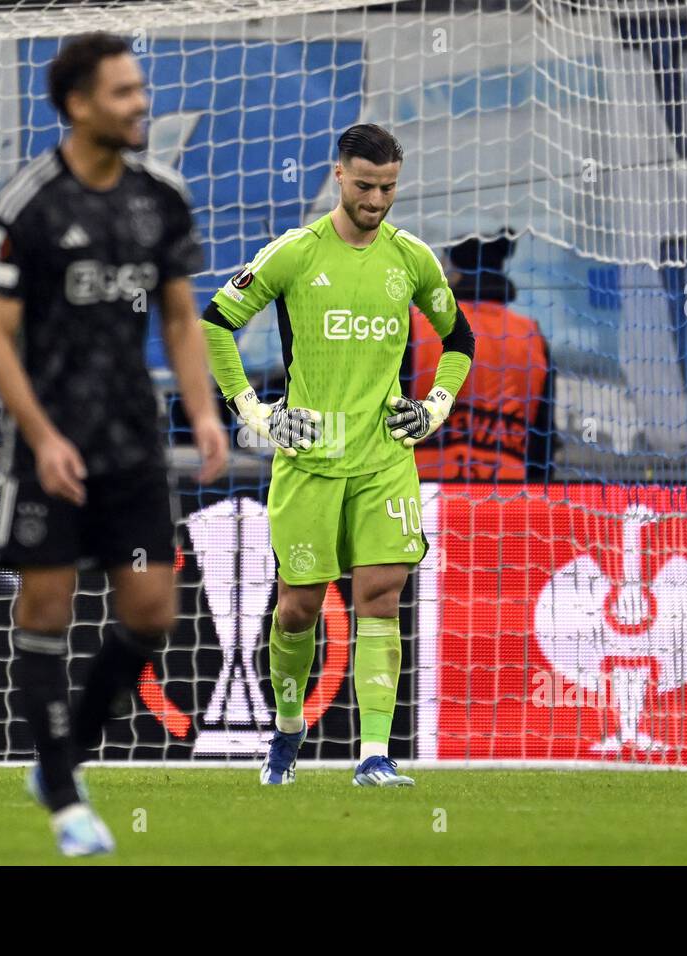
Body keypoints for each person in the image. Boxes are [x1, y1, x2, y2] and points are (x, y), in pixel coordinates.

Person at [0, 33, 226, 856]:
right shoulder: (27, 206)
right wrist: (39, 437)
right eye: (122, 93)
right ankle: (66, 801)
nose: (140, 103)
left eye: (140, 89)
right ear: (79, 105)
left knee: (152, 613)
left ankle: (63, 757)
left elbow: (183, 318)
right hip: (48, 449)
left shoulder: (162, 197)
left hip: (132, 446)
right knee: (45, 607)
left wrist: (206, 413)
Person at [201, 124, 474, 787]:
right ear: (338, 176)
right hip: (311, 458)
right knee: (298, 607)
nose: (378, 200)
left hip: (384, 457)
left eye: (389, 187)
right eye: (366, 185)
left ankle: (374, 757)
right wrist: (255, 412)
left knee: (381, 595)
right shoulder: (295, 254)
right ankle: (287, 733)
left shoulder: (412, 259)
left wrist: (435, 406)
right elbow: (215, 322)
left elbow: (459, 338)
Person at [409, 232, 552, 481]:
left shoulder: (418, 324)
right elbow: (543, 441)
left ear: (457, 271)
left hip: (425, 496)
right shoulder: (530, 336)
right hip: (505, 498)